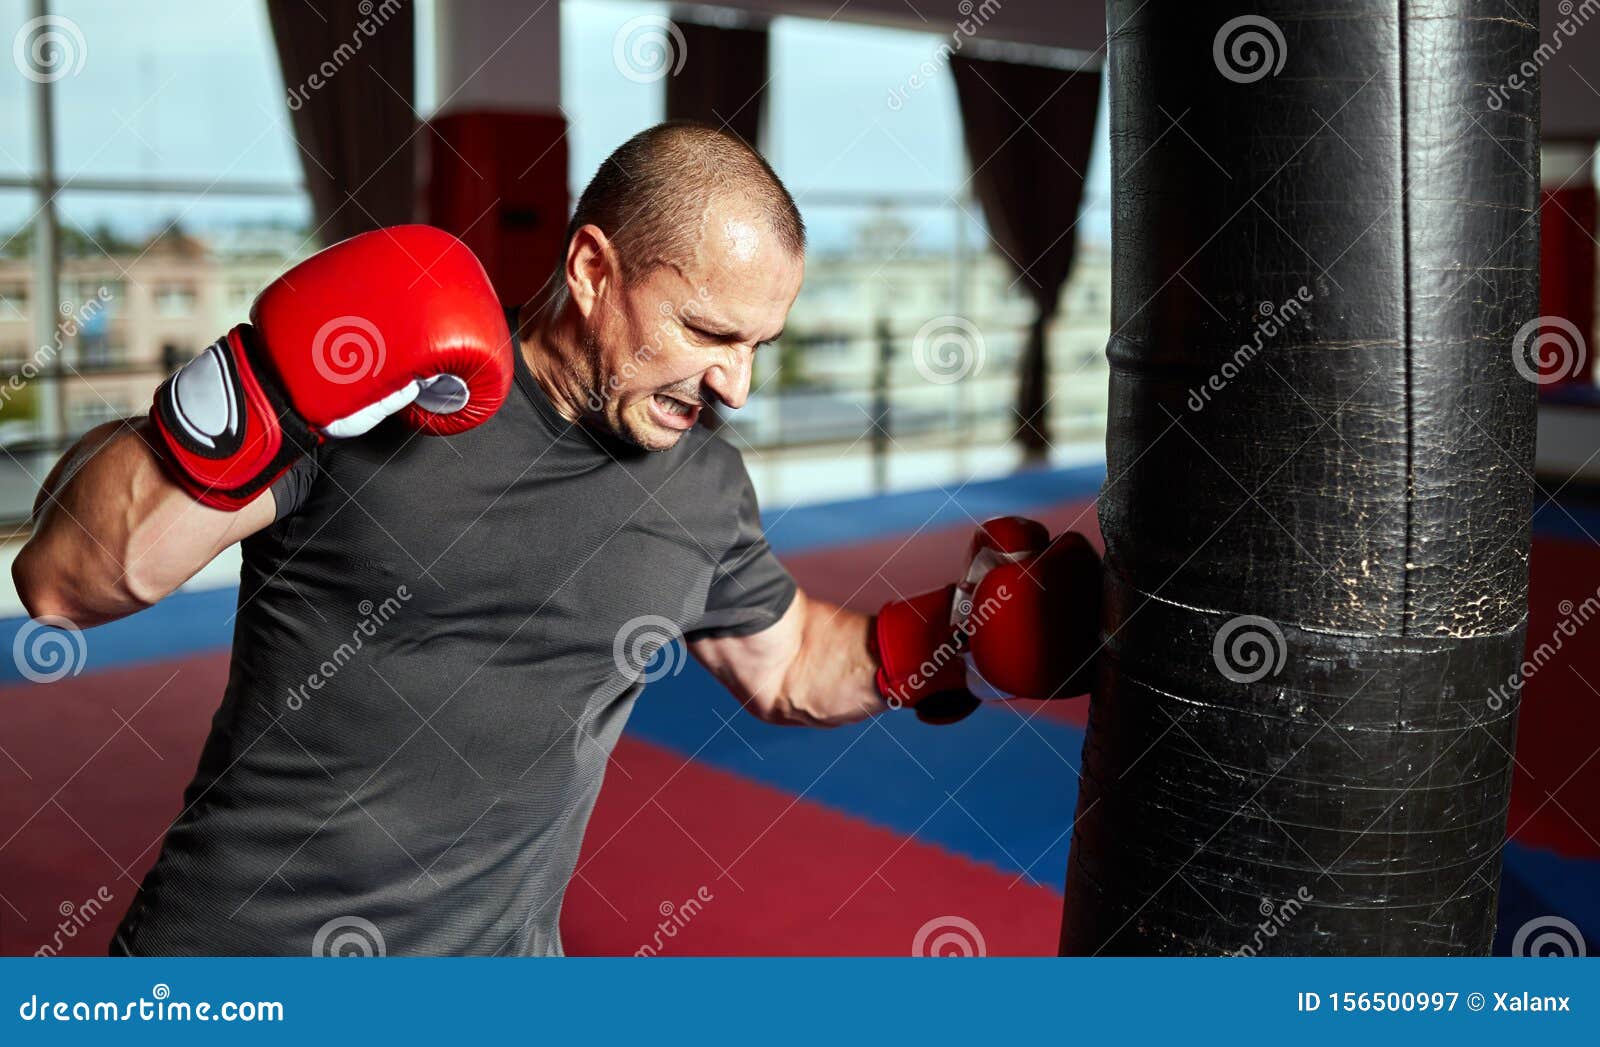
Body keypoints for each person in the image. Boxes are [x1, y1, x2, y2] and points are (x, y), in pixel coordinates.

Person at [13, 122, 1099, 956]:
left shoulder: (704, 484)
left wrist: (946, 642)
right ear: (592, 269)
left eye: (761, 342)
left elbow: (792, 669)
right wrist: (265, 383)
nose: (737, 381)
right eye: (708, 331)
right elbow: (70, 584)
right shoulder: (393, 399)